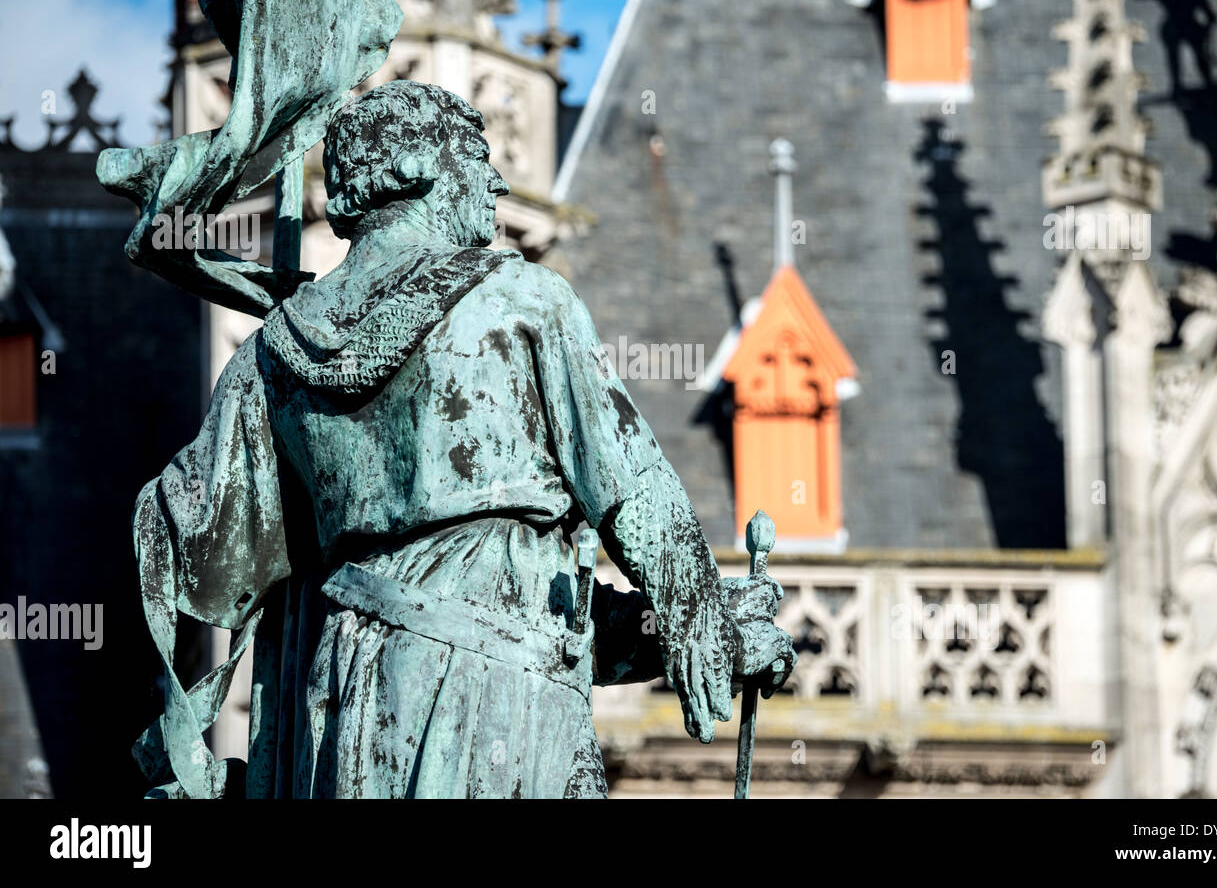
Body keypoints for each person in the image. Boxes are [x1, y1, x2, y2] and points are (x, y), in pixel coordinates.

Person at [131, 81, 795, 798]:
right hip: (498, 713)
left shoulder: (270, 360)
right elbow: (634, 490)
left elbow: (189, 551)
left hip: (344, 713)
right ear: (416, 170)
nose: (496, 181)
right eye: (477, 158)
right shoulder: (524, 303)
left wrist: (689, 627)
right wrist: (698, 612)